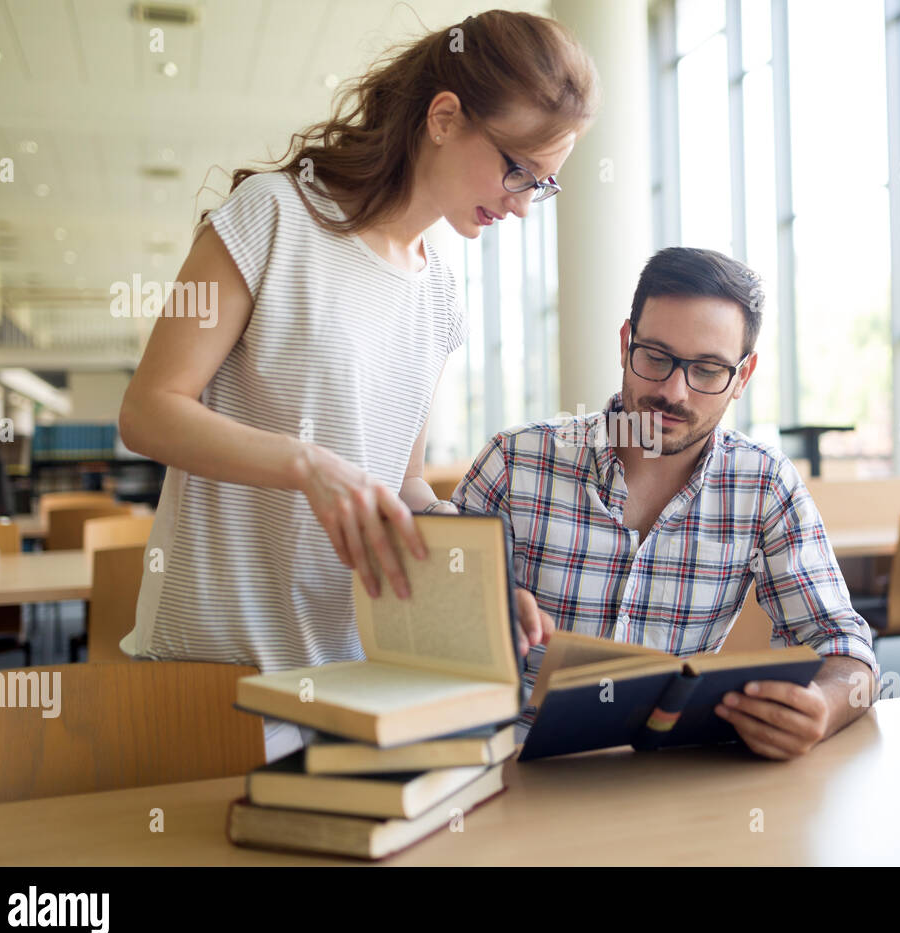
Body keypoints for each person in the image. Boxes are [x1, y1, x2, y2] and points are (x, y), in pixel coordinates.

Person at [118, 11, 596, 760]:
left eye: (544, 184)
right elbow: (148, 411)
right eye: (516, 170)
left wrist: (474, 583)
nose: (523, 203)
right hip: (213, 673)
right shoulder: (272, 215)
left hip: (356, 689)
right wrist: (307, 464)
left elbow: (402, 483)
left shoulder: (440, 292)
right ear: (444, 118)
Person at [453, 247, 878, 759]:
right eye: (655, 357)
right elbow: (425, 629)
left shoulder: (762, 484)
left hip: (668, 779)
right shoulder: (514, 463)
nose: (674, 391)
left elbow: (843, 645)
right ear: (625, 342)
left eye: (707, 370)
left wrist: (824, 705)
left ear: (742, 377)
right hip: (508, 768)